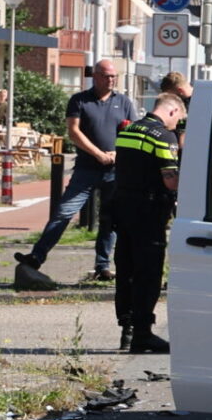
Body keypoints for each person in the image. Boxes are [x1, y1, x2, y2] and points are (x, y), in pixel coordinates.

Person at [15, 60, 137, 287]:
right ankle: (36, 257)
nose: (111, 80)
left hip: (114, 171)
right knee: (63, 211)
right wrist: (99, 153)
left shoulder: (123, 102)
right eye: (107, 76)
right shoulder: (79, 100)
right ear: (96, 76)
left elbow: (133, 133)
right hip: (86, 170)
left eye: (114, 76)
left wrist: (117, 154)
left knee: (110, 220)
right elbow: (73, 131)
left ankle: (103, 266)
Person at [108, 91, 184, 354]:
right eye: (178, 118)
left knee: (126, 269)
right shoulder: (163, 136)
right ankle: (143, 333)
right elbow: (170, 179)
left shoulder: (129, 131)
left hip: (123, 208)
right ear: (172, 111)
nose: (176, 124)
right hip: (149, 211)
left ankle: (127, 330)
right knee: (148, 272)